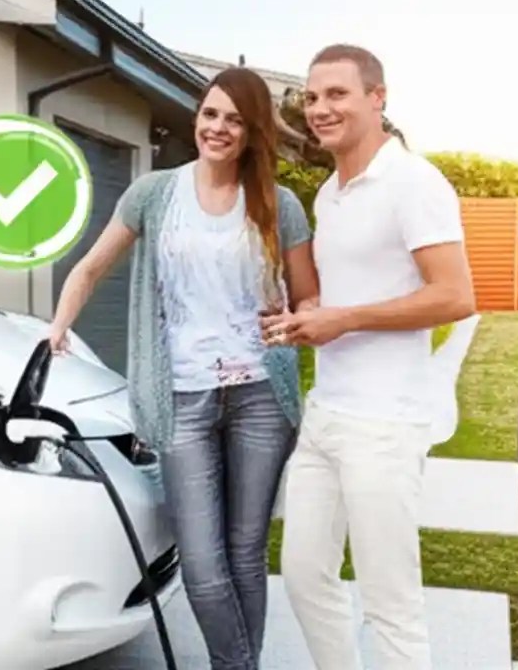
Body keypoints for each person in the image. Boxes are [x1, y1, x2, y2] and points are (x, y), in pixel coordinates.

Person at [48, 66, 318, 670]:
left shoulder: (280, 205)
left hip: (259, 396)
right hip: (183, 398)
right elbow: (90, 268)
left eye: (234, 120)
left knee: (245, 553)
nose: (218, 128)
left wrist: (296, 321)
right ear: (197, 117)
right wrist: (59, 323)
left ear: (252, 134)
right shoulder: (153, 194)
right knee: (200, 558)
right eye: (210, 114)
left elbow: (310, 300)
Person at [261, 44, 476, 669]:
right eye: (312, 96)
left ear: (377, 98)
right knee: (303, 578)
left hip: (385, 424)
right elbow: (349, 293)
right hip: (327, 414)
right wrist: (306, 316)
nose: (320, 108)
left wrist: (344, 319)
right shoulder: (331, 193)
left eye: (337, 94)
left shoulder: (413, 181)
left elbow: (455, 295)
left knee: (390, 602)